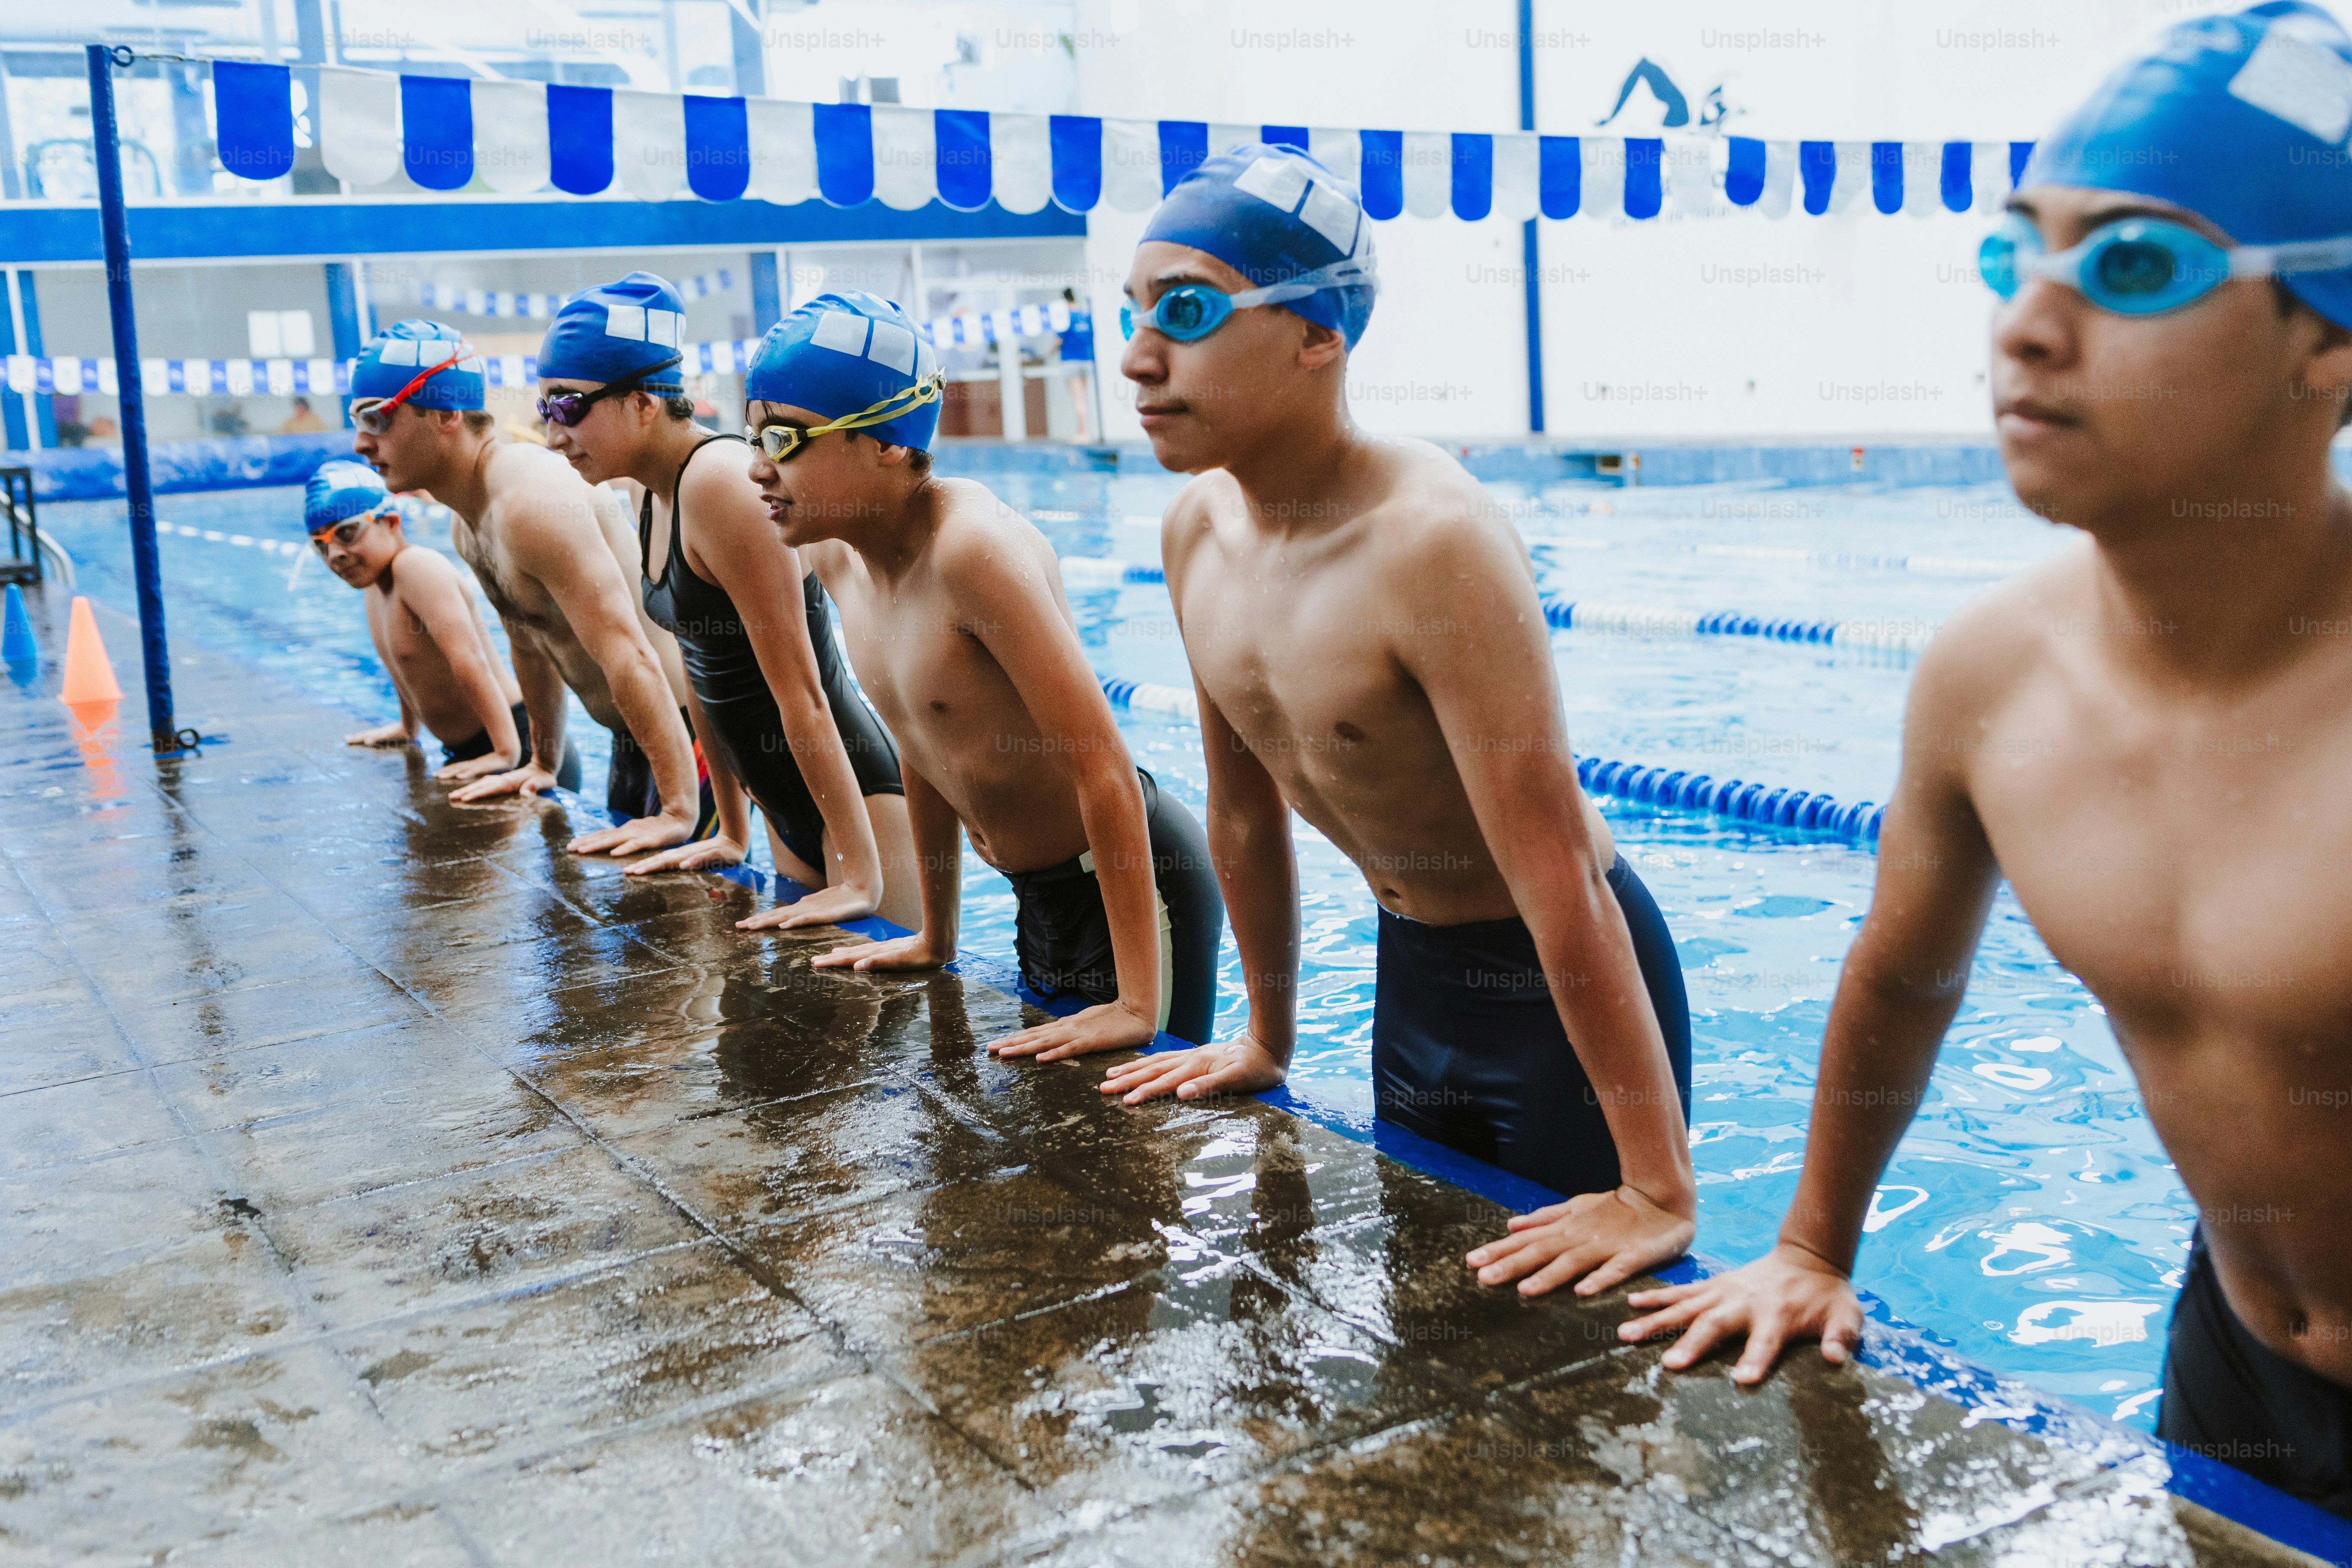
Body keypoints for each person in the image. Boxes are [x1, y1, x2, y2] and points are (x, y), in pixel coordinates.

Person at [1617, 3, 2352, 1522]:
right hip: (2231, 1363)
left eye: (2137, 264)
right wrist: (1813, 1243)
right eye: (2015, 254)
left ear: (2328, 345)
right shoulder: (1986, 677)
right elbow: (1902, 970)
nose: (2026, 322)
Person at [1112, 142, 1696, 1298]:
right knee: (1427, 1314)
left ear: (1318, 333)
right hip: (1412, 978)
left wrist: (1658, 1191)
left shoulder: (1433, 543)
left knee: (1578, 1382)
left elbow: (1560, 873)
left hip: (1553, 993)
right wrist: (1265, 1039)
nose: (1136, 358)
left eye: (1185, 311)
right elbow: (1243, 813)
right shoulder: (1195, 533)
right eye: (1131, 312)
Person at [741, 289, 1226, 1057]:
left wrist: (1138, 1002)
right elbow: (921, 738)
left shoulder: (971, 553)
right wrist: (935, 935)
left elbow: (1100, 766)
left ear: (886, 443)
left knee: (1142, 1144)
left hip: (1130, 884)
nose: (756, 468)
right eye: (752, 437)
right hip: (1036, 891)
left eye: (785, 439)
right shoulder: (841, 559)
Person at [533, 272, 920, 930]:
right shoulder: (650, 493)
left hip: (855, 803)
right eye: (544, 409)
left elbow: (801, 688)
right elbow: (702, 667)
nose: (552, 433)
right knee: (811, 1024)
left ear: (644, 402)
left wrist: (858, 873)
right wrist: (732, 830)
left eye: (568, 406)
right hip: (786, 804)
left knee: (897, 1022)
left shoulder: (722, 485)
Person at [348, 318, 706, 858]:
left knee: (698, 914)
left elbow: (629, 652)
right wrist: (541, 762)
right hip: (634, 736)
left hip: (692, 736)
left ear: (446, 415)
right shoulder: (466, 521)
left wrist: (679, 809)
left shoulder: (531, 503)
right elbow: (528, 642)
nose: (360, 442)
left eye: (377, 417)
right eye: (357, 421)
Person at [304, 459, 581, 791]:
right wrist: (408, 728)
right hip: (474, 749)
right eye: (321, 544)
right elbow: (403, 665)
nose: (334, 554)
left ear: (391, 522)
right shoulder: (375, 587)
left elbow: (468, 659)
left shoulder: (416, 567)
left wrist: (506, 753)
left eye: (346, 533)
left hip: (519, 745)